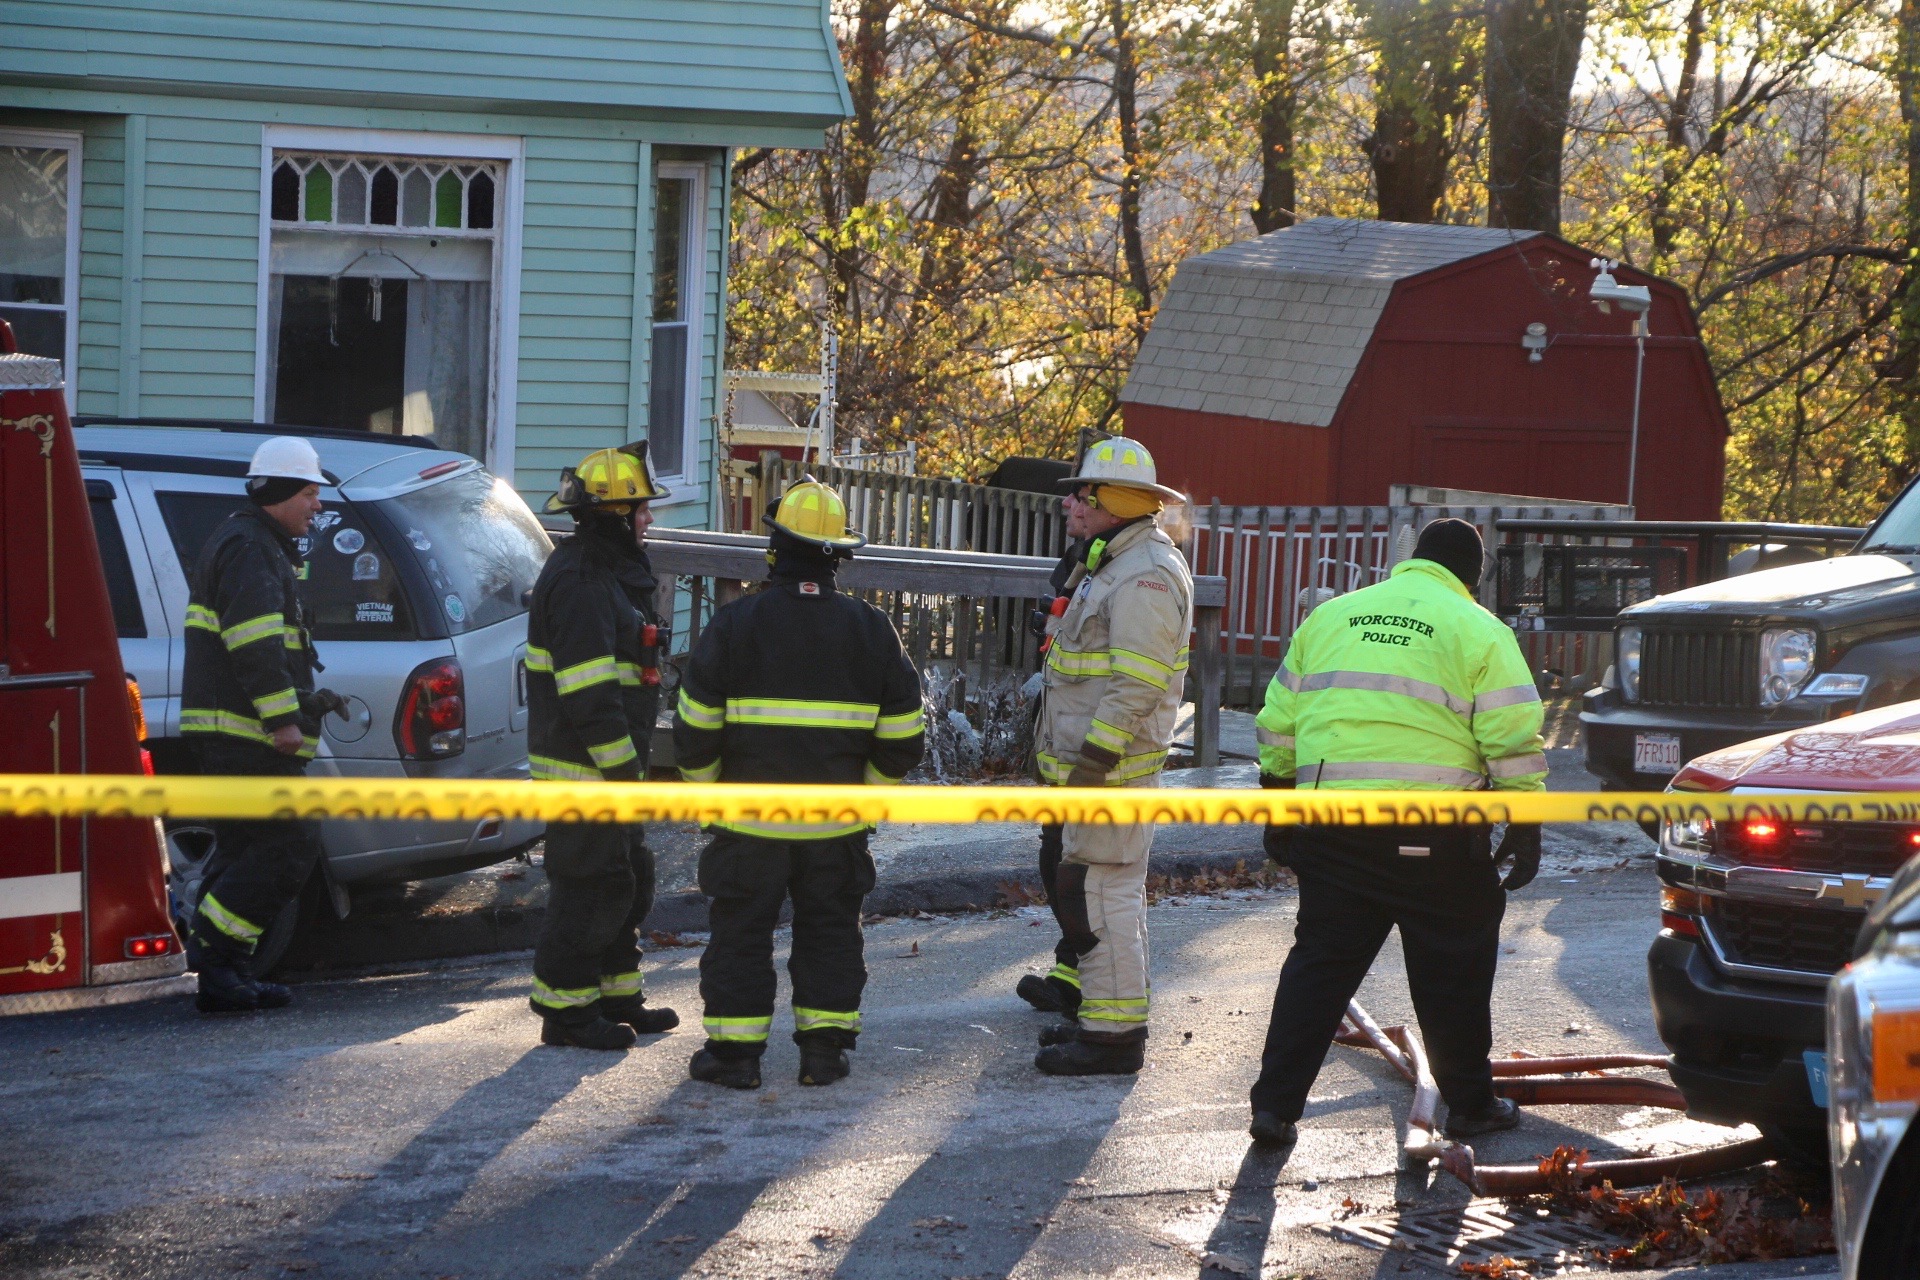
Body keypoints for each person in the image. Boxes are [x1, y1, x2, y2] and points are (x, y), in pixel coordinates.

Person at [1246, 518, 1547, 1147]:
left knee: (1321, 966)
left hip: (1334, 831)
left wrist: (1279, 802)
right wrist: (1525, 822)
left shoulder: (1331, 618)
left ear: (1413, 559)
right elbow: (1512, 738)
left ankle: (1274, 1108)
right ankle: (1469, 1104)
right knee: (1454, 967)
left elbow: (1278, 721)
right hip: (1433, 839)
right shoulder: (1479, 630)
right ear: (1475, 576)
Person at [673, 479, 924, 1091]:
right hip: (835, 825)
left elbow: (694, 729)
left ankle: (735, 1058)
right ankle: (823, 1054)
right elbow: (904, 737)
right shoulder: (873, 629)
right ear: (837, 554)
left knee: (740, 934)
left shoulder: (735, 624)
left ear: (775, 549)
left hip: (747, 823)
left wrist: (711, 796)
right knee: (831, 930)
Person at [1030, 437, 1193, 1077]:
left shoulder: (1145, 574)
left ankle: (1113, 1039)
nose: (1071, 502)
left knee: (1102, 896)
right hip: (1091, 770)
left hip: (1112, 774)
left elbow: (1137, 685)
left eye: (1081, 492)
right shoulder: (1115, 561)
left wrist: (1093, 761)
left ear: (1112, 500)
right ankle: (1100, 1016)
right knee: (1091, 891)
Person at [180, 436, 346, 1013]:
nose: (317, 506)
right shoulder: (251, 548)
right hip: (245, 737)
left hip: (232, 737)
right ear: (276, 493)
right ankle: (219, 963)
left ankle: (222, 971)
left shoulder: (254, 543)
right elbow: (253, 645)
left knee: (248, 848)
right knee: (286, 845)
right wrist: (281, 720)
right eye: (308, 493)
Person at [526, 444, 680, 1050]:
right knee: (588, 886)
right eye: (640, 510)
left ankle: (618, 997)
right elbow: (588, 695)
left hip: (611, 769)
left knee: (626, 877)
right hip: (585, 771)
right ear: (615, 516)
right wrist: (624, 775)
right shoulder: (583, 581)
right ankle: (565, 1012)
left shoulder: (608, 571)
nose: (648, 520)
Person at [1015, 541, 1085, 1020]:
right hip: (1065, 754)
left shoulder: (1130, 568)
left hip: (1095, 759)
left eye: (1079, 496)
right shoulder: (1086, 556)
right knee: (1057, 859)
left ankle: (1095, 985)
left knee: (1086, 872)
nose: (1067, 503)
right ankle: (1072, 970)